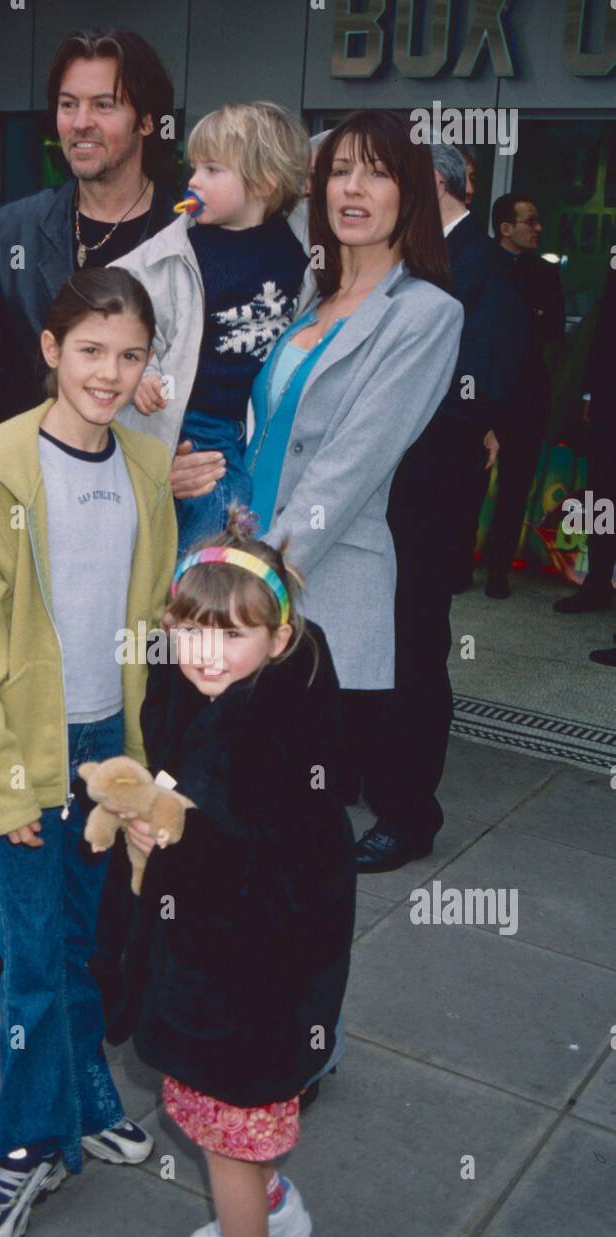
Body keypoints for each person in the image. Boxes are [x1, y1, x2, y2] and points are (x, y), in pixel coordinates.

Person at [0, 267, 177, 1237]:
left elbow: (145, 621)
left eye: (128, 355)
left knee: (82, 940)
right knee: (29, 961)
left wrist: (141, 764)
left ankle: (89, 1093)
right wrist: (0, 782)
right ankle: (23, 1150)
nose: (108, 374)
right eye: (89, 351)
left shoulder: (145, 471)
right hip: (20, 751)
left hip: (108, 743)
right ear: (49, 351)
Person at [0, 27, 186, 1003]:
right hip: (24, 523)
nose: (80, 121)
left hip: (134, 535)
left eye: (103, 103)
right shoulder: (15, 228)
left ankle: (109, 942)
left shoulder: (187, 237)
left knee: (123, 738)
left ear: (145, 119)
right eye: (69, 103)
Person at [121, 508, 355, 1237]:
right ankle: (273, 1207)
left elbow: (236, 873)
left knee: (227, 1139)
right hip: (265, 984)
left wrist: (160, 849)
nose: (205, 655)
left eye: (231, 636)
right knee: (232, 1128)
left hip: (237, 994)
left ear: (278, 639)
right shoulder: (264, 703)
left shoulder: (246, 745)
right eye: (191, 632)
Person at [242, 109, 463, 799]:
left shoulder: (425, 314)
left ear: (412, 194)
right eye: (339, 171)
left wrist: (261, 579)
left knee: (299, 812)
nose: (352, 188)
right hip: (242, 564)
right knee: (234, 802)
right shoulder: (308, 296)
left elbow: (350, 465)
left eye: (376, 172)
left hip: (317, 588)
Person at [354, 144, 529, 872]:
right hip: (374, 491)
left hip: (425, 498)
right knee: (371, 641)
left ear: (435, 186)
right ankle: (367, 776)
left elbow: (480, 382)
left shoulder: (483, 269)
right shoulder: (404, 257)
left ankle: (407, 816)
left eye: (392, 175)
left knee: (414, 650)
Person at [111, 101, 312, 554]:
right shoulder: (174, 254)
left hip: (259, 421)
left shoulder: (299, 244)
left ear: (264, 182)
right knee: (226, 515)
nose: (194, 180)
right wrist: (144, 371)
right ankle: (201, 605)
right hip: (199, 418)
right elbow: (132, 328)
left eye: (213, 169)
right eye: (194, 167)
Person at [482, 192, 565, 598]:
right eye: (529, 221)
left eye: (537, 220)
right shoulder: (481, 266)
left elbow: (551, 330)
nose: (538, 229)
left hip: (528, 392)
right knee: (469, 481)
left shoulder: (545, 273)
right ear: (505, 228)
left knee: (517, 485)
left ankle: (499, 570)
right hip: (481, 392)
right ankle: (458, 565)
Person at [555, 266, 616, 619]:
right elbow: (606, 329)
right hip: (610, 401)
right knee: (601, 497)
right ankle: (596, 585)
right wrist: (592, 391)